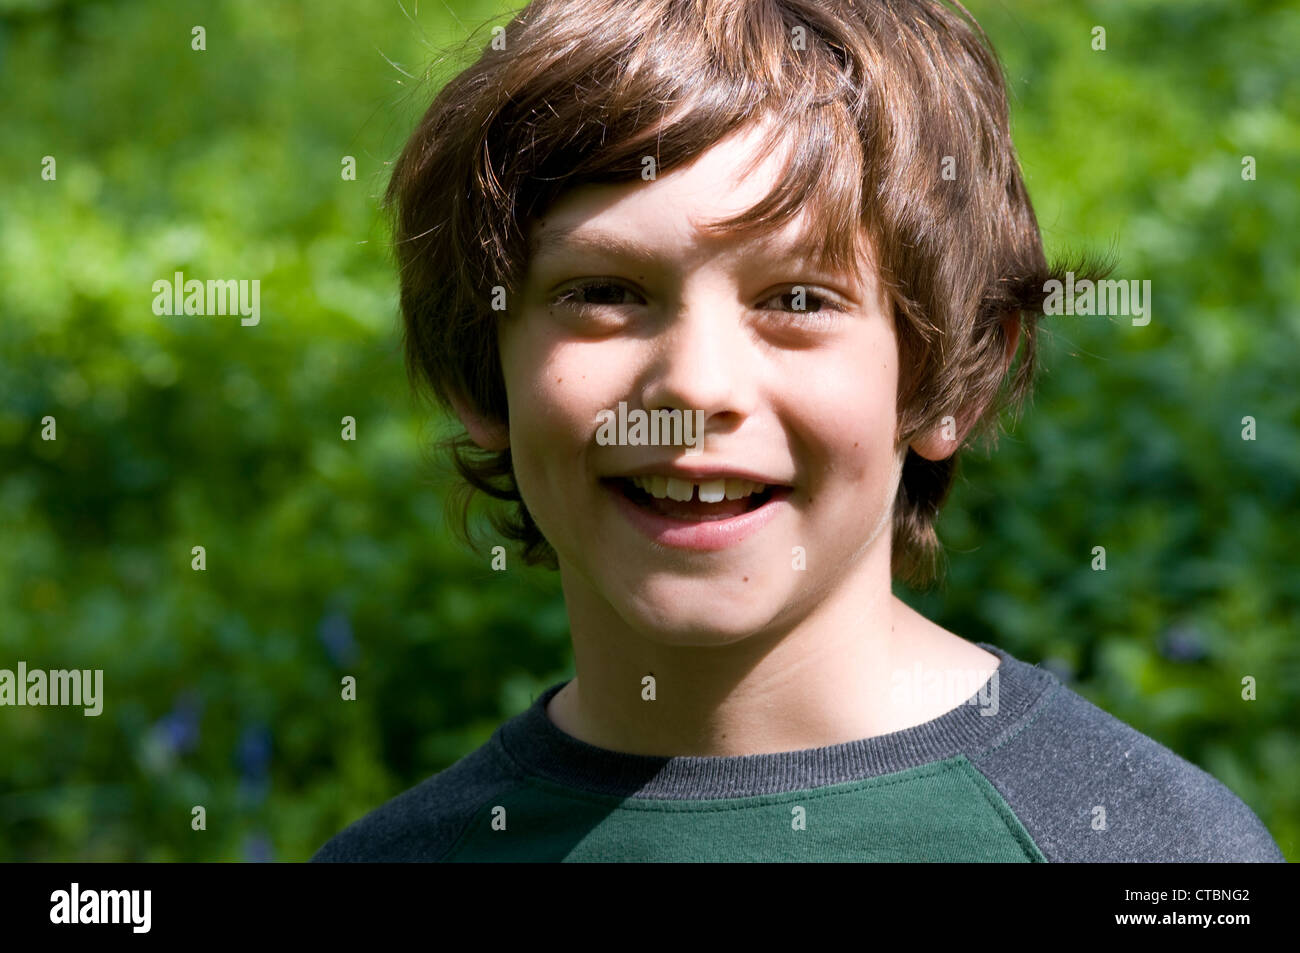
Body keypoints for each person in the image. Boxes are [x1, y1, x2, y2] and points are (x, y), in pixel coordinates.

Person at [313, 0, 1283, 861]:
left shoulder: (1148, 848)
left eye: (798, 298)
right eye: (603, 292)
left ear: (952, 378)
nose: (693, 387)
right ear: (481, 364)